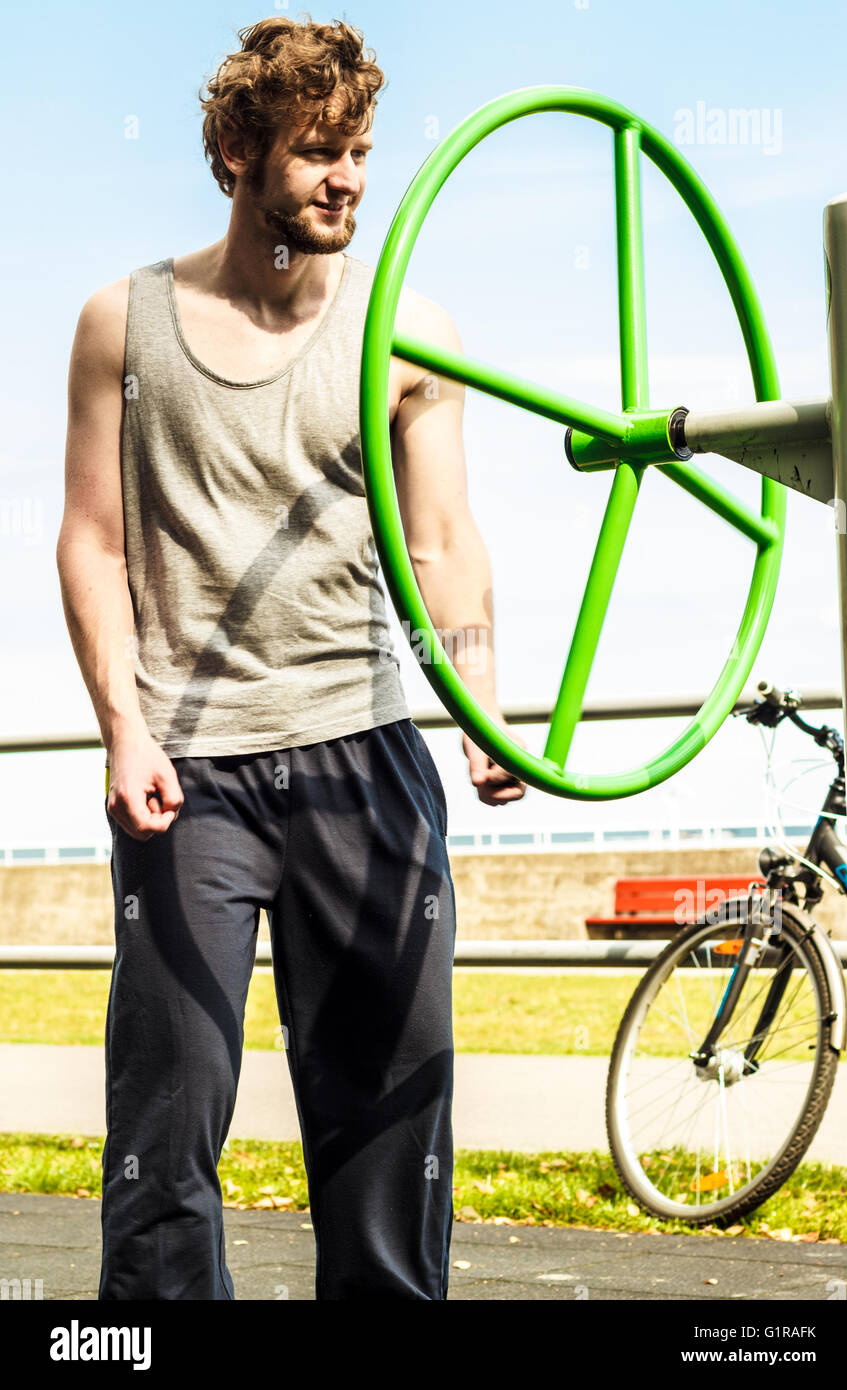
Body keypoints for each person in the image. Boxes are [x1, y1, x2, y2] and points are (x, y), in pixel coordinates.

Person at [56, 13, 525, 1302]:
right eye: (320, 152)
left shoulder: (406, 330)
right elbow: (92, 545)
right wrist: (123, 729)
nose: (349, 179)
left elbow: (444, 541)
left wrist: (481, 705)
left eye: (362, 150)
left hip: (364, 758)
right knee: (166, 1127)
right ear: (237, 158)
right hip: (187, 773)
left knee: (387, 1129)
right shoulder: (123, 324)